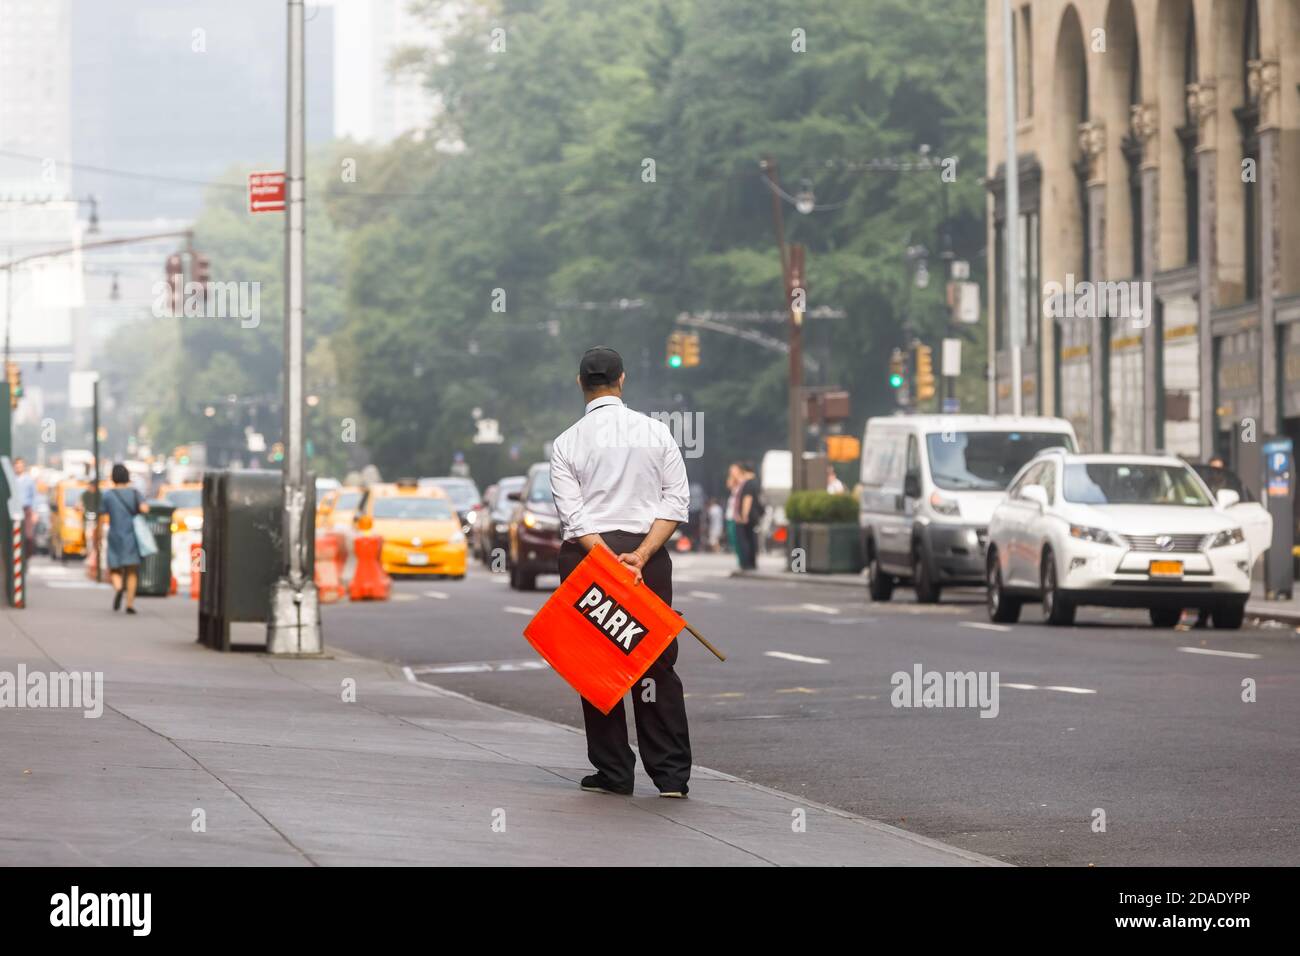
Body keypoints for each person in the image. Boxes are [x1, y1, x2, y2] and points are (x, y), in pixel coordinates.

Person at [550, 346, 693, 798]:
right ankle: (671, 777)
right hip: (645, 561)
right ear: (622, 380)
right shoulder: (656, 433)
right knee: (654, 665)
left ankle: (613, 772)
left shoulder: (566, 442)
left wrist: (605, 560)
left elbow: (574, 519)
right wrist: (643, 554)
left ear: (580, 384)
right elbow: (676, 501)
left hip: (588, 561)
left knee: (597, 666)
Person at [103, 463, 150, 614]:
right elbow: (144, 509)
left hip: (115, 535)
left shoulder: (108, 495)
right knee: (131, 571)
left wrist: (97, 536)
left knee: (114, 567)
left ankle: (118, 588)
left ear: (113, 477)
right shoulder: (134, 493)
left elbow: (100, 516)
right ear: (128, 477)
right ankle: (129, 604)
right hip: (131, 536)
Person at [734, 461, 762, 571]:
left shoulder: (748, 483)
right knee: (752, 539)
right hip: (755, 516)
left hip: (748, 517)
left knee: (745, 540)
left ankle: (747, 563)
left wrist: (744, 515)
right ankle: (752, 562)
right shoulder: (756, 482)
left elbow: (747, 499)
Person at [13, 457, 36, 556]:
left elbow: (34, 496)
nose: (18, 468)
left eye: (20, 466)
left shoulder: (29, 480)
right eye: (17, 466)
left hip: (26, 510)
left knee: (28, 536)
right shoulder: (12, 479)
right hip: (14, 510)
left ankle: (26, 557)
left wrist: (34, 512)